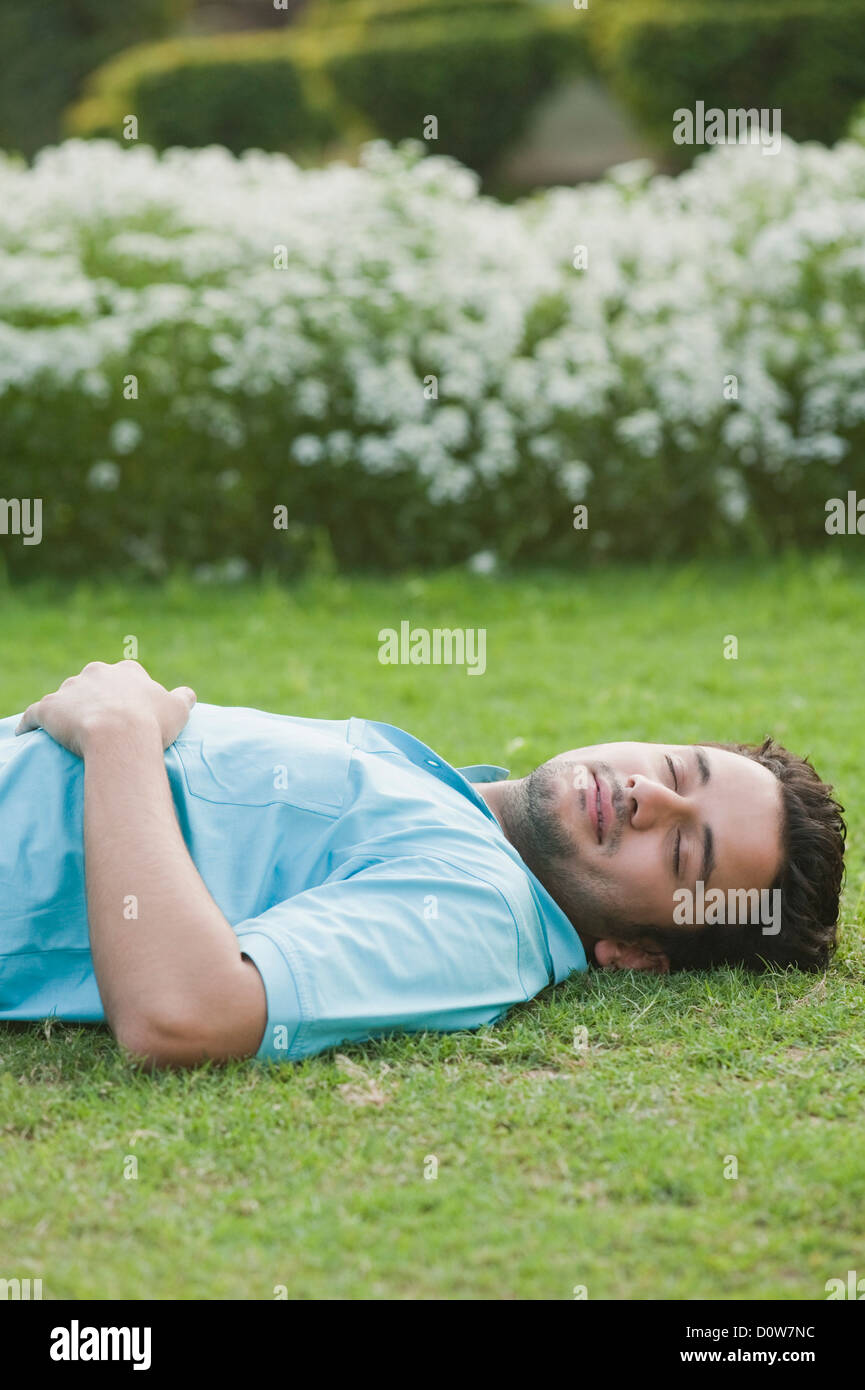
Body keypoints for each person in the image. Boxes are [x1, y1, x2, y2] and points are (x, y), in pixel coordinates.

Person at [0, 660, 845, 1068]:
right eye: (675, 770)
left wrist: (118, 731)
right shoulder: (455, 805)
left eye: (680, 849)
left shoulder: (480, 908)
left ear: (636, 955)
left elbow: (185, 1015)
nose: (644, 798)